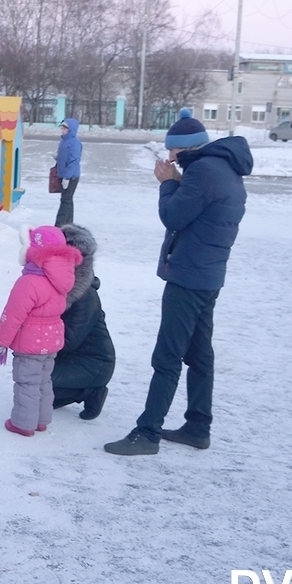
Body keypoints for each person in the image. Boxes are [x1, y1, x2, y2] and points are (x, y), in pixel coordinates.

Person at [104, 108, 252, 455]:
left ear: (181, 150)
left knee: (167, 357)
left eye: (171, 152)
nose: (168, 158)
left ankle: (147, 433)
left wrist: (168, 184)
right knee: (200, 354)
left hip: (188, 277)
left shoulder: (202, 172)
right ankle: (198, 426)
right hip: (209, 274)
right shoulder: (226, 169)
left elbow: (172, 216)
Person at [0, 225, 83, 436]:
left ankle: (23, 423)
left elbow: (13, 316)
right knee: (43, 381)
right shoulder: (62, 280)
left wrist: (1, 341)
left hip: (29, 344)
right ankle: (41, 420)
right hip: (51, 342)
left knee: (26, 383)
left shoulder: (29, 282)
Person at [51, 223, 115, 420]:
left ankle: (92, 391)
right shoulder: (58, 285)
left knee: (37, 375)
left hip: (93, 363)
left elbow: (70, 340)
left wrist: (35, 340)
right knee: (35, 384)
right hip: (69, 357)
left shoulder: (84, 296)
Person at [54, 117, 82, 226]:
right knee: (67, 200)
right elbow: (65, 158)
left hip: (71, 176)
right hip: (64, 175)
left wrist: (67, 178)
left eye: (65, 128)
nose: (62, 130)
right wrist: (57, 156)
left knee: (65, 200)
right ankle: (68, 224)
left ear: (71, 129)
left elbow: (74, 161)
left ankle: (59, 225)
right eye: (62, 128)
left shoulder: (74, 143)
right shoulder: (64, 141)